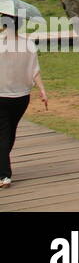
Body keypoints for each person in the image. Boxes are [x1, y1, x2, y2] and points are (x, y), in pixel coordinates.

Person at [0, 11, 48, 188]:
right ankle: (2, 165)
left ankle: (4, 175)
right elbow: (34, 71)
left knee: (4, 134)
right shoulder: (28, 44)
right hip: (21, 98)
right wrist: (42, 90)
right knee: (9, 132)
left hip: (2, 96)